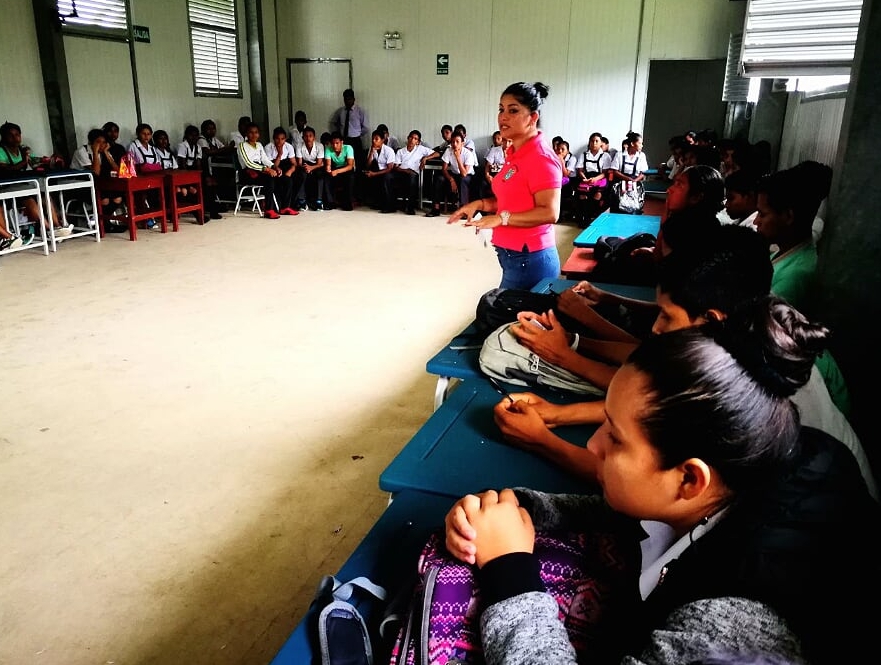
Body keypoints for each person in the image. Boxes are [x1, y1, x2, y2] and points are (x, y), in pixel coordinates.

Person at [445, 296, 880, 665]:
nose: (594, 447)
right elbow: (647, 516)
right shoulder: (760, 459)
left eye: (615, 437)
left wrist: (509, 568)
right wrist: (520, 508)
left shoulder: (734, 631)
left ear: (690, 478)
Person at [494, 224, 878, 499]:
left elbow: (636, 482)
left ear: (710, 319)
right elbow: (657, 389)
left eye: (665, 316)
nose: (656, 329)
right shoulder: (748, 335)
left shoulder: (746, 391)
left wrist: (542, 441)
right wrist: (557, 415)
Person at [444, 82, 562, 290]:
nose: (503, 117)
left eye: (513, 110)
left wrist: (501, 218)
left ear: (533, 118)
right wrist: (479, 204)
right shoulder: (514, 154)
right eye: (501, 109)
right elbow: (511, 200)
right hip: (513, 257)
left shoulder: (540, 157)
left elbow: (550, 213)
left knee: (505, 318)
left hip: (529, 258)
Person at [754, 163, 850, 416]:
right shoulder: (784, 254)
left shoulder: (797, 274)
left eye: (763, 214)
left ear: (787, 216)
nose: (756, 221)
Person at [0, 121, 70, 237]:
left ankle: (57, 226)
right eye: (11, 135)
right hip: (6, 188)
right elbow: (6, 170)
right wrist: (24, 161)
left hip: (22, 186)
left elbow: (35, 164)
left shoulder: (22, 150)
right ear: (3, 137)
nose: (15, 138)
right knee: (31, 200)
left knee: (44, 196)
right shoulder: (1, 151)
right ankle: (49, 229)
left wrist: (50, 161)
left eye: (17, 134)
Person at [70, 128, 124, 218]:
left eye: (104, 142)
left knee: (118, 198)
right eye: (98, 142)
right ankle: (101, 223)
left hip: (97, 184)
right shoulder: (82, 152)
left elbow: (118, 170)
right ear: (91, 142)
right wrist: (95, 152)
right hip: (80, 185)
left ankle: (104, 222)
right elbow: (96, 172)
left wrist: (106, 153)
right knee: (104, 199)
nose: (102, 145)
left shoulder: (102, 152)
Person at [237, 122, 284, 219]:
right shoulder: (242, 145)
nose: (254, 135)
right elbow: (248, 163)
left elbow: (265, 159)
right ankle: (268, 210)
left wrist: (275, 167)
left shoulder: (259, 145)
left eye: (256, 132)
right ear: (246, 133)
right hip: (247, 172)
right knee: (269, 179)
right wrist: (266, 169)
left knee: (285, 179)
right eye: (251, 132)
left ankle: (284, 207)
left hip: (260, 169)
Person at [425, 130, 477, 217]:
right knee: (438, 178)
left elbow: (464, 173)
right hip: (455, 175)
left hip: (468, 176)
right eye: (453, 142)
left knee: (463, 179)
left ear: (462, 143)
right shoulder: (448, 151)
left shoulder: (468, 154)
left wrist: (458, 157)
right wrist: (451, 180)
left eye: (457, 141)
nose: (455, 144)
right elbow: (444, 169)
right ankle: (436, 208)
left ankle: (464, 210)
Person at [574, 131, 612, 226]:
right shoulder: (584, 155)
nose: (594, 143)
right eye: (592, 141)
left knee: (597, 195)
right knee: (582, 196)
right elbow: (580, 170)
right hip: (586, 178)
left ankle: (590, 217)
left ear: (600, 143)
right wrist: (585, 178)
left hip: (599, 178)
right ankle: (583, 218)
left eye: (596, 141)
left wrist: (595, 179)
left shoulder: (605, 156)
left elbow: (605, 173)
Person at [393, 129, 434, 215]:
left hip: (413, 174)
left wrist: (425, 158)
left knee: (412, 178)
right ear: (408, 138)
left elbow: (437, 153)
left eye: (415, 139)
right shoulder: (401, 151)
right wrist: (406, 170)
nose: (412, 140)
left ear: (418, 142)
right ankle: (392, 205)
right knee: (390, 177)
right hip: (401, 172)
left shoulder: (421, 149)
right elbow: (395, 167)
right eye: (411, 137)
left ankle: (410, 207)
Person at [330, 89, 369, 177]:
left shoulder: (359, 111)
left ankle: (357, 185)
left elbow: (366, 127)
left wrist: (358, 134)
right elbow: (333, 123)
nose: (347, 101)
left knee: (358, 162)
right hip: (344, 140)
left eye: (349, 99)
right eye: (345, 99)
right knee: (345, 162)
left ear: (353, 99)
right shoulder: (340, 111)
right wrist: (337, 134)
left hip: (356, 140)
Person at [264, 126, 297, 215]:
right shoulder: (268, 147)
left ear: (285, 139)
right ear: (274, 139)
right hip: (274, 167)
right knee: (278, 181)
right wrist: (279, 155)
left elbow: (294, 163)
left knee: (290, 180)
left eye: (282, 139)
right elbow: (271, 165)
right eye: (277, 139)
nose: (280, 141)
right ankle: (275, 206)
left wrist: (290, 171)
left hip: (286, 167)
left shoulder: (288, 146)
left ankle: (287, 207)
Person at [363, 129, 397, 213]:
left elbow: (390, 168)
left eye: (376, 139)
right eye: (372, 139)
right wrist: (371, 152)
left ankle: (389, 206)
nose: (373, 141)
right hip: (378, 171)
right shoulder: (372, 149)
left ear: (382, 140)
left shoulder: (389, 150)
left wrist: (374, 174)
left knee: (386, 177)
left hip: (389, 172)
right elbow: (368, 165)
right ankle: (377, 202)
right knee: (366, 174)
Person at [294, 126, 325, 211]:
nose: (308, 138)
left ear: (314, 137)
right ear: (303, 137)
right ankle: (302, 201)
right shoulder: (299, 146)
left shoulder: (319, 146)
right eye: (306, 136)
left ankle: (319, 201)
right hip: (304, 165)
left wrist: (311, 168)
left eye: (310, 136)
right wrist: (306, 168)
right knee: (301, 174)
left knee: (320, 175)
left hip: (316, 165)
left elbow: (319, 163)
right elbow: (299, 163)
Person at [324, 131, 355, 211]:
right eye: (333, 143)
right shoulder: (328, 149)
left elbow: (350, 166)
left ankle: (347, 203)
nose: (334, 146)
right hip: (335, 168)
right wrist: (328, 168)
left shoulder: (348, 148)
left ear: (342, 142)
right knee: (326, 176)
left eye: (337, 143)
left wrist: (337, 171)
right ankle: (330, 202)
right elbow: (328, 164)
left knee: (350, 177)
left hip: (346, 169)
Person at [481, 130, 507, 199]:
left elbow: (513, 169)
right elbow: (488, 164)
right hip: (494, 173)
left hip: (506, 175)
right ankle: (484, 206)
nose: (507, 144)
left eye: (509, 141)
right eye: (505, 141)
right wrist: (487, 175)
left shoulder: (515, 151)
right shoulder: (494, 150)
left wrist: (504, 179)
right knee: (483, 183)